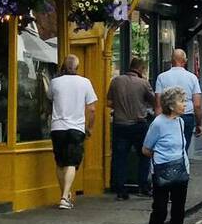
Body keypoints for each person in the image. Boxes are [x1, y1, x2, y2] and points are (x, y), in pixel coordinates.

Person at [142, 86, 189, 224]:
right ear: (171, 104)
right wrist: (162, 159)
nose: (184, 105)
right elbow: (146, 149)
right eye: (181, 101)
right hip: (162, 174)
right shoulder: (158, 123)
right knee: (160, 212)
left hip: (181, 173)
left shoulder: (180, 122)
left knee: (178, 213)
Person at [48, 55, 97, 211]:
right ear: (77, 67)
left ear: (63, 66)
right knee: (71, 163)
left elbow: (49, 98)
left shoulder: (55, 82)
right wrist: (90, 127)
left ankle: (65, 194)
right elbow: (92, 108)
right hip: (76, 127)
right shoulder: (85, 82)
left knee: (60, 162)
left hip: (57, 127)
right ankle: (64, 197)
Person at [107, 57, 155, 199]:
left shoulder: (115, 81)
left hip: (120, 124)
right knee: (144, 155)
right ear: (141, 69)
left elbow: (109, 102)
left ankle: (121, 191)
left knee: (119, 157)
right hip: (138, 125)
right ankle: (143, 187)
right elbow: (153, 101)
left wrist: (120, 107)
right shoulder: (143, 83)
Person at [154, 49, 202, 150]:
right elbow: (197, 104)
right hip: (187, 116)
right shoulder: (192, 78)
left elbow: (158, 104)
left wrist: (157, 123)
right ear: (185, 61)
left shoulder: (161, 77)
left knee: (167, 146)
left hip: (167, 116)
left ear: (171, 61)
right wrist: (199, 123)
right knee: (183, 148)